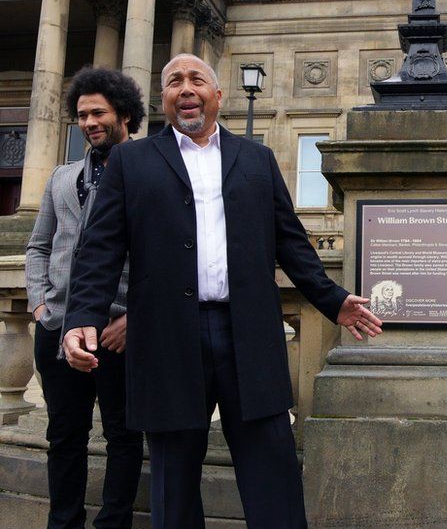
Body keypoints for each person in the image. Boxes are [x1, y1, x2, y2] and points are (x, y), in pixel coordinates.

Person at [59, 54, 383, 529]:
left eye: (196, 80)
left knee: (272, 472)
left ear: (217, 96)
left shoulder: (256, 158)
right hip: (168, 339)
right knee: (173, 485)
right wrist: (81, 316)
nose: (185, 88)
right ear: (164, 99)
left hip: (247, 336)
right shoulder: (132, 160)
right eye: (174, 82)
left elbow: (291, 242)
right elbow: (99, 250)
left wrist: (333, 300)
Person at [25, 67, 145, 529]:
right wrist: (40, 305)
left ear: (124, 114)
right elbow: (38, 246)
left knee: (123, 436)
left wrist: (133, 316)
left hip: (116, 331)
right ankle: (64, 522)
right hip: (56, 328)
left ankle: (114, 523)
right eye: (82, 114)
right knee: (65, 436)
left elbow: (164, 258)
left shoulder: (148, 170)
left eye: (99, 112)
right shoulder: (61, 175)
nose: (90, 122)